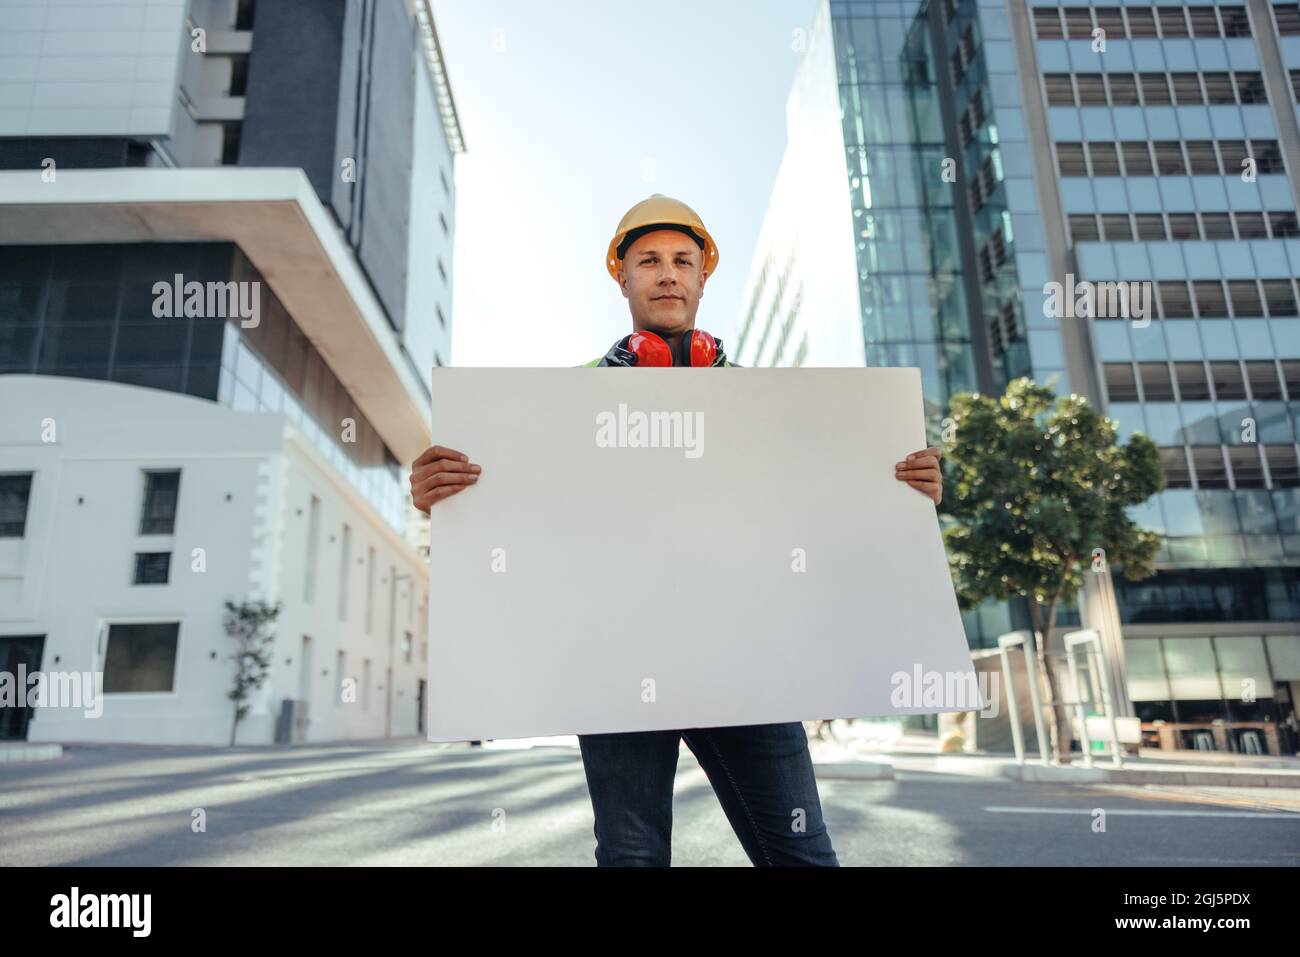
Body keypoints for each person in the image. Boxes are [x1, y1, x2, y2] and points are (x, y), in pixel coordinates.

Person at [409, 195, 944, 866]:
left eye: (682, 260)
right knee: (631, 856)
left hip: (748, 658)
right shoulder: (558, 403)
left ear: (702, 276)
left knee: (803, 855)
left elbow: (832, 508)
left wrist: (902, 488)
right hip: (616, 659)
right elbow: (514, 522)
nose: (668, 273)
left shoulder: (773, 405)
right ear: (621, 274)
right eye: (650, 260)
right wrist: (443, 496)